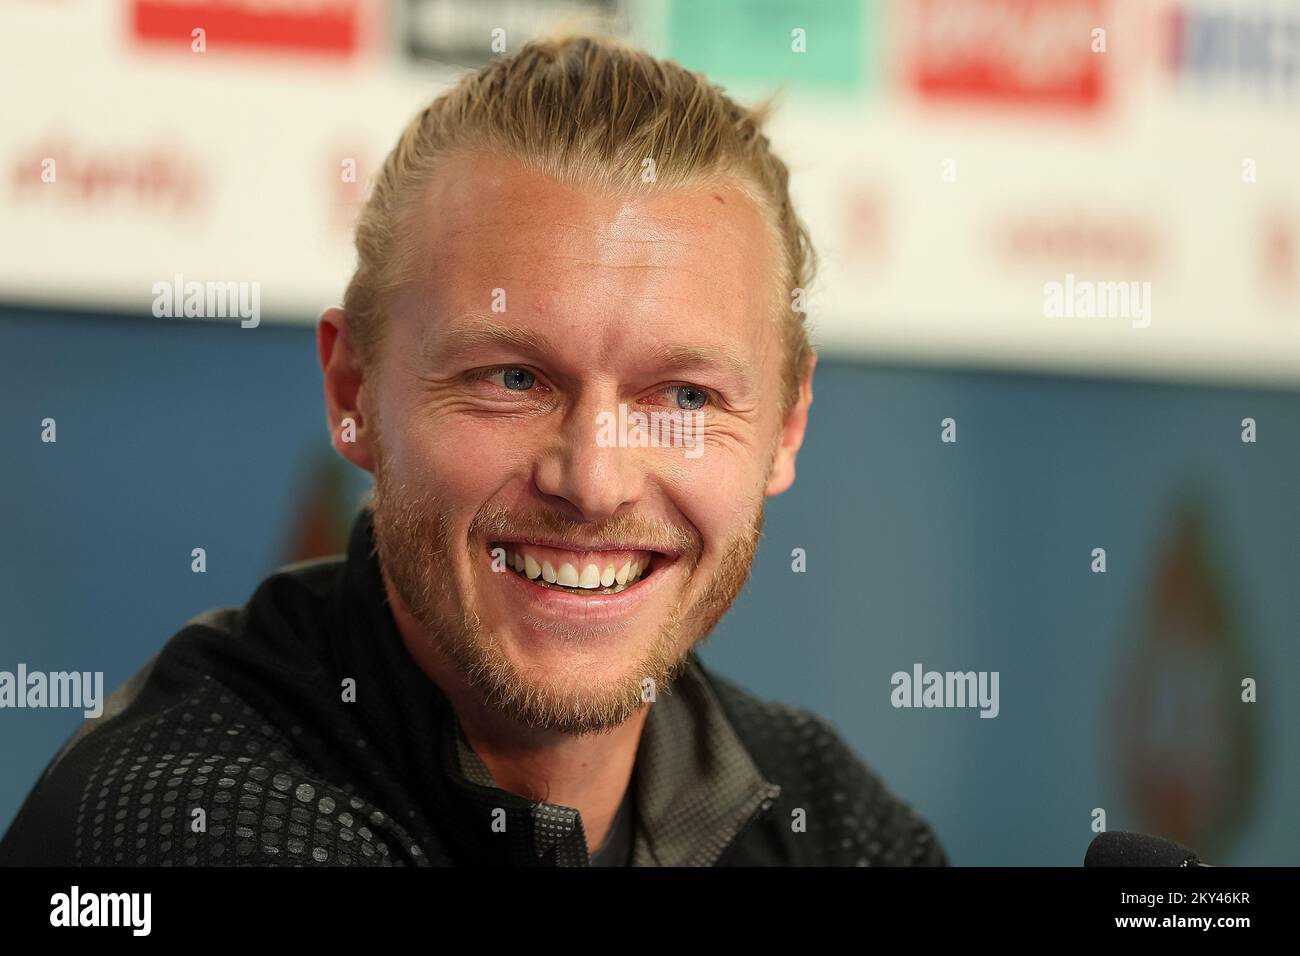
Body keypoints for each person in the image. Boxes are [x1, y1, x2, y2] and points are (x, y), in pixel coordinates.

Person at [0, 31, 946, 867]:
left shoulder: (826, 813)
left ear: (785, 424)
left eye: (685, 395)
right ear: (354, 395)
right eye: (513, 380)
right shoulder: (194, 819)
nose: (594, 480)